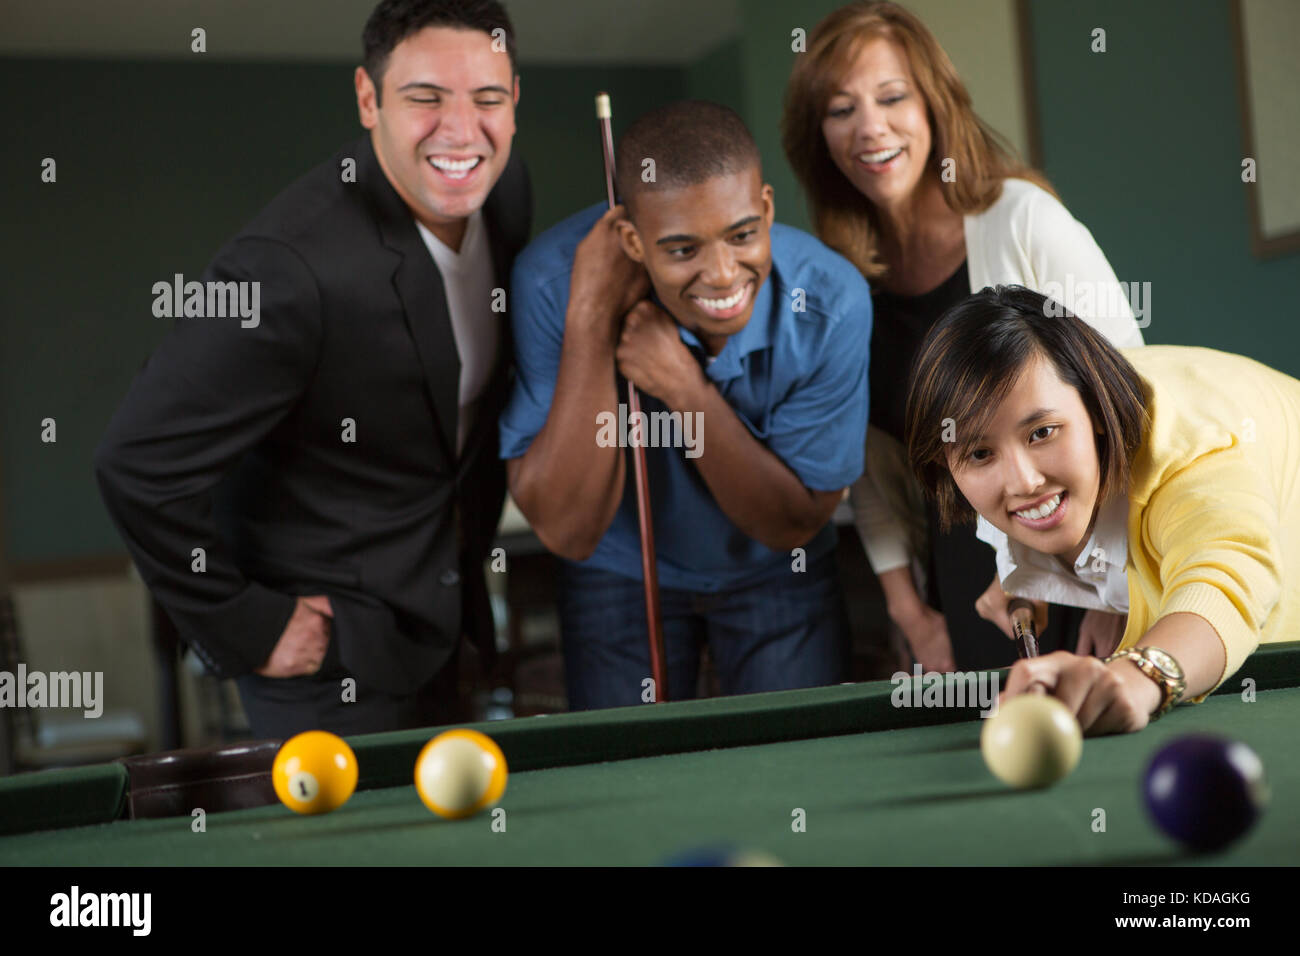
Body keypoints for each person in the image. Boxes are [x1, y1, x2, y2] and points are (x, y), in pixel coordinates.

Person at [94, 0, 531, 739]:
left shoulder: (504, 193)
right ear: (369, 98)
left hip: (445, 630)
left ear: (513, 101)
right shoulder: (284, 267)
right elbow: (135, 463)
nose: (461, 131)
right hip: (331, 660)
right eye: (425, 98)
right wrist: (250, 624)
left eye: (487, 99)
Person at [782, 0, 1144, 673]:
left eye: (893, 97)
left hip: (1082, 540)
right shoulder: (838, 280)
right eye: (840, 110)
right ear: (819, 137)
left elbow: (1131, 395)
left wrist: (1113, 580)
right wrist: (911, 615)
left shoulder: (1024, 220)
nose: (870, 128)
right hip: (963, 572)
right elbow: (865, 465)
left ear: (935, 106)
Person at [502, 101, 871, 710]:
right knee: (627, 779)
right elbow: (568, 529)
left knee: (795, 776)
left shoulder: (831, 300)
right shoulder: (550, 281)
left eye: (743, 234)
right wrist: (591, 314)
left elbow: (794, 521)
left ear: (768, 210)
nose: (723, 274)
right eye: (681, 250)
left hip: (779, 569)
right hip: (620, 566)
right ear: (631, 239)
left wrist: (684, 389)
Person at [905, 285, 1295, 733]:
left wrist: (1136, 677)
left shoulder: (1192, 457)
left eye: (1041, 433)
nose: (1024, 481)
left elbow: (1227, 583)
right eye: (979, 454)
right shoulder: (1035, 436)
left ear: (1094, 404)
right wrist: (1034, 568)